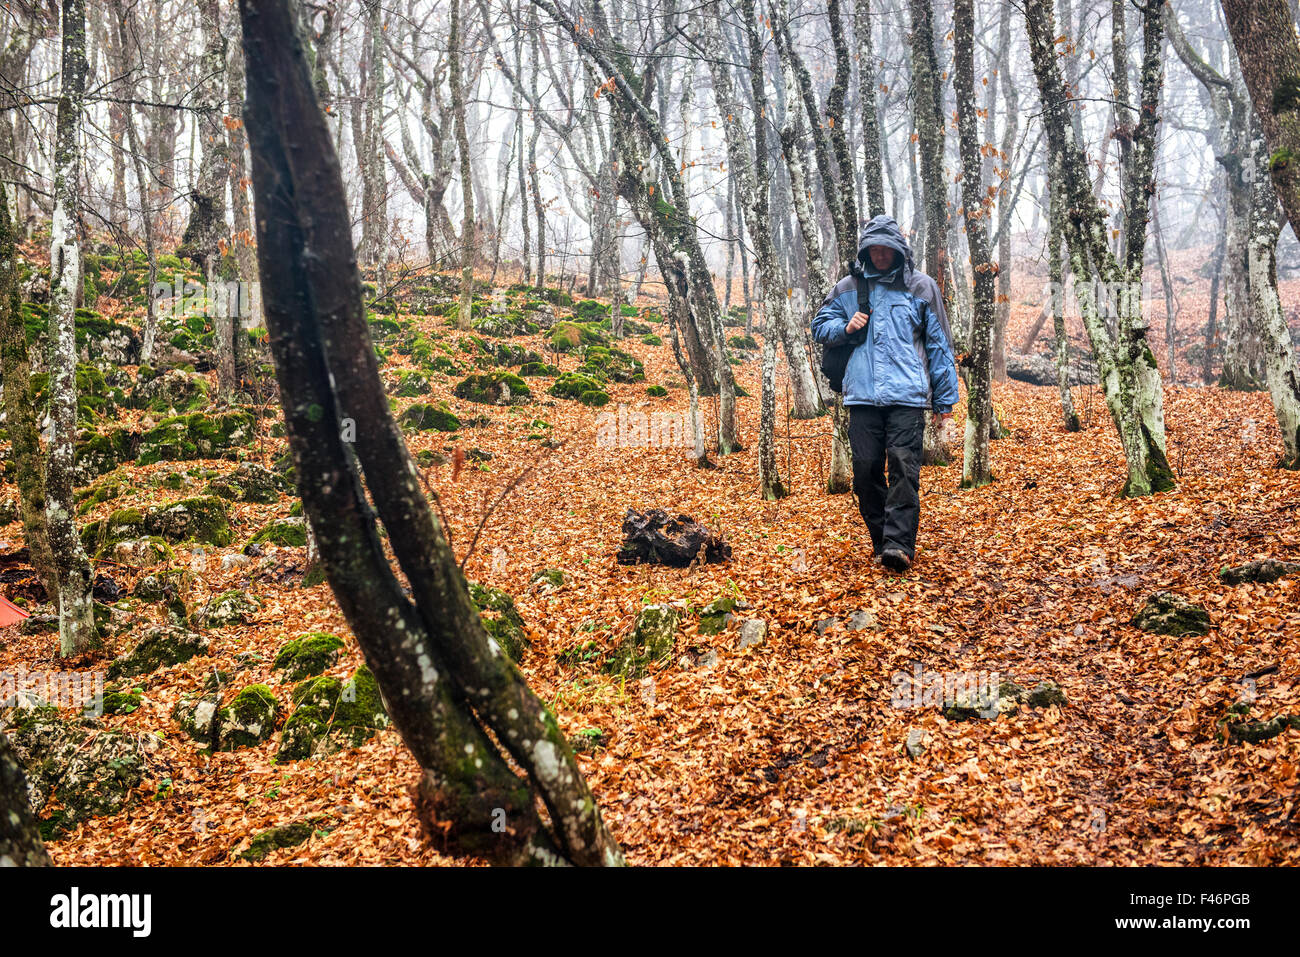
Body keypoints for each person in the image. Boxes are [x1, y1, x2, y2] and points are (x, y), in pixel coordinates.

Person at [811, 215, 959, 573]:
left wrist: (945, 402)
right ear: (865, 251)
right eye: (873, 249)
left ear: (898, 251)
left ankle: (898, 545)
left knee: (904, 470)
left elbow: (939, 344)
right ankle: (881, 540)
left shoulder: (921, 287)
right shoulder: (848, 287)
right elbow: (819, 325)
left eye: (885, 249)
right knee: (865, 471)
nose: (879, 255)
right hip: (861, 397)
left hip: (908, 397)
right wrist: (845, 327)